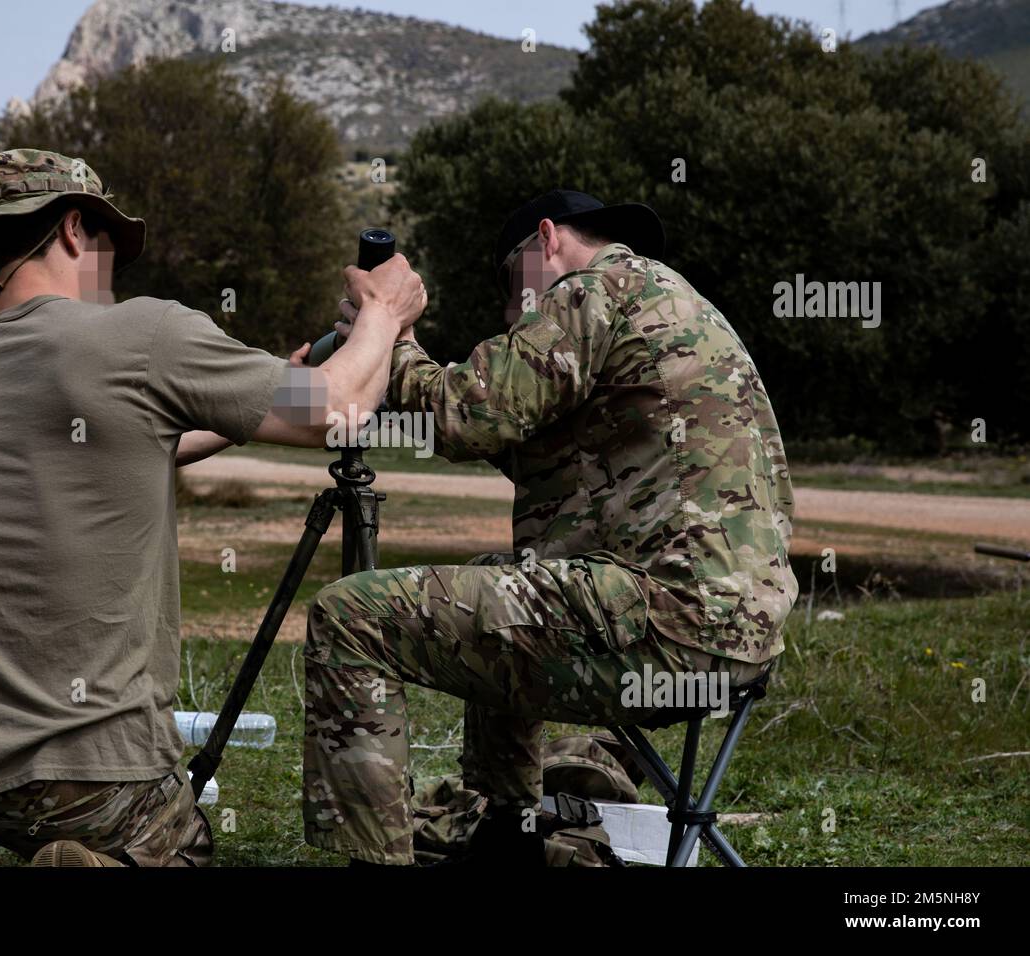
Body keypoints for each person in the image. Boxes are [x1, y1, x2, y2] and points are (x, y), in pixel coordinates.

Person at [0, 148, 426, 866]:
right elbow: (339, 410)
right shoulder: (142, 332)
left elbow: (126, 443)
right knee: (177, 847)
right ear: (71, 229)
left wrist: (250, 397)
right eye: (106, 247)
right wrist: (383, 313)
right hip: (93, 778)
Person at [302, 189, 797, 866]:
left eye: (513, 291)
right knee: (494, 579)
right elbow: (535, 449)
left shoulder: (592, 289)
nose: (513, 317)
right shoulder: (670, 302)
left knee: (347, 614)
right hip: (735, 642)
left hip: (663, 629)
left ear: (546, 241)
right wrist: (354, 370)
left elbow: (466, 416)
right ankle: (509, 835)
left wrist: (390, 336)